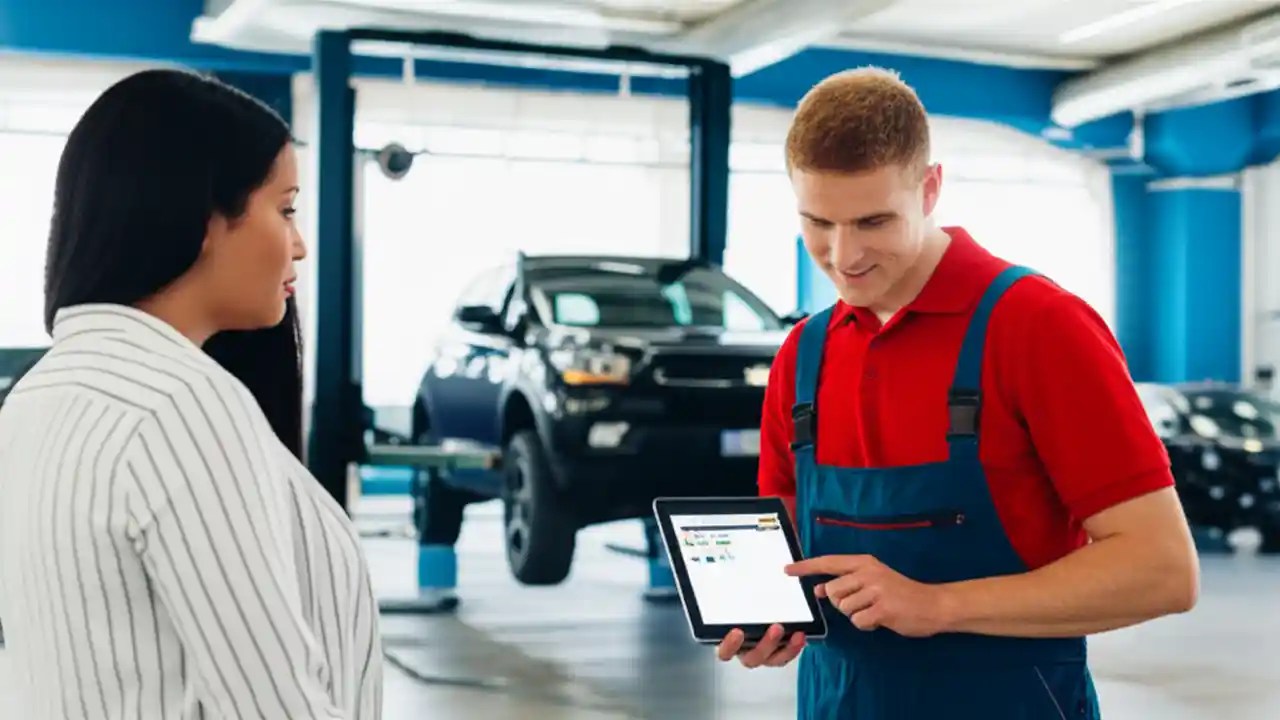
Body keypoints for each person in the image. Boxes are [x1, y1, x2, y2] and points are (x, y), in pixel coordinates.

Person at [716, 67, 1199, 718]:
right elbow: (791, 559)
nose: (844, 254)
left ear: (931, 187)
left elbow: (1162, 570)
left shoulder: (1039, 328)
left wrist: (939, 605)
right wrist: (771, 621)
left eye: (873, 221)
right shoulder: (802, 357)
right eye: (818, 223)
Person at [0, 69, 383, 719]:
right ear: (204, 217)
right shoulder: (181, 405)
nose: (300, 244)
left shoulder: (36, 398)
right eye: (285, 208)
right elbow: (272, 704)